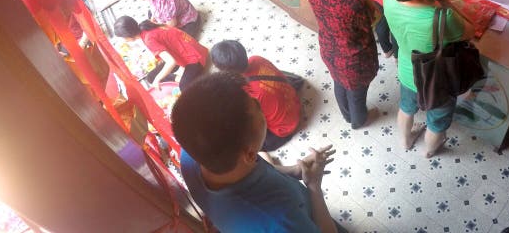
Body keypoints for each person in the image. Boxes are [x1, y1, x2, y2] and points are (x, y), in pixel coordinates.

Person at [171, 72, 341, 233]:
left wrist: (295, 170)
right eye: (257, 107)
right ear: (250, 154)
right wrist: (314, 187)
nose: (257, 101)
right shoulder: (280, 220)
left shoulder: (192, 155)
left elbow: (258, 169)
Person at [383, 0, 477, 158]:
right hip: (436, 81)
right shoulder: (441, 17)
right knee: (437, 122)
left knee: (406, 108)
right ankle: (430, 151)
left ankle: (405, 141)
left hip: (407, 71)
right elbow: (470, 30)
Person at [305, 0, 379, 129]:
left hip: (329, 51)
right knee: (357, 94)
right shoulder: (353, 3)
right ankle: (358, 121)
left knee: (339, 83)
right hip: (356, 62)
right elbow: (375, 17)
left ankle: (347, 116)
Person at [210, 40, 301, 152]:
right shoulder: (256, 59)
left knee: (245, 143)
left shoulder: (248, 93)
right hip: (293, 101)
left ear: (227, 71)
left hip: (284, 127)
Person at [113, 16, 207, 90]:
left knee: (184, 88)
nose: (124, 40)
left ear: (128, 36)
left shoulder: (149, 39)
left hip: (195, 58)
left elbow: (171, 62)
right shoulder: (145, 24)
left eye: (123, 37)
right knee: (151, 77)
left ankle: (186, 79)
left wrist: (158, 80)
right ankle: (179, 78)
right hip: (184, 52)